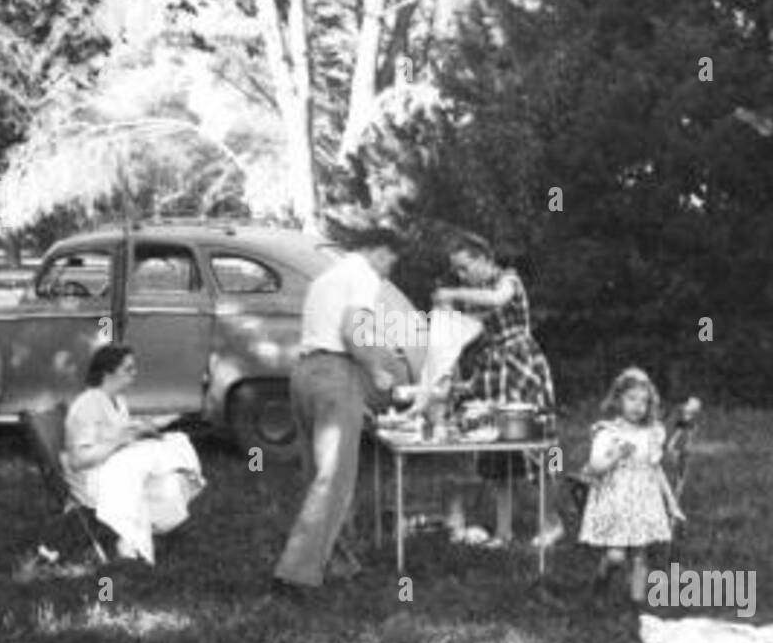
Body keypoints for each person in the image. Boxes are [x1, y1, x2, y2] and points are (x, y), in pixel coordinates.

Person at [272, 223, 407, 594]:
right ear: (380, 252)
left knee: (317, 474)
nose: (388, 271)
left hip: (304, 374)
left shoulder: (325, 278)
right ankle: (296, 573)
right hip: (336, 373)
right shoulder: (363, 276)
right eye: (390, 263)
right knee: (335, 480)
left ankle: (338, 562)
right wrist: (376, 369)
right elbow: (353, 332)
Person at [431, 231, 561, 547]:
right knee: (495, 450)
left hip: (521, 367)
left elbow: (496, 300)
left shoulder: (508, 281)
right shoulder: (477, 295)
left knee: (536, 447)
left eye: (464, 267)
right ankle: (504, 532)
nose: (461, 275)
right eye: (456, 271)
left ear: (484, 258)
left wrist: (453, 293)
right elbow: (465, 330)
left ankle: (552, 524)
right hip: (493, 370)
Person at [62, 344, 206, 565]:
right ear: (108, 372)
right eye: (128, 369)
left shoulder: (118, 400)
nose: (135, 373)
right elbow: (78, 460)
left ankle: (141, 532)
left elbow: (122, 431)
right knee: (159, 481)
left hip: (113, 466)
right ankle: (131, 539)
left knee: (173, 459)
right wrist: (120, 441)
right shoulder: (87, 405)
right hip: (91, 478)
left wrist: (145, 430)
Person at [577, 367, 684, 605]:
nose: (638, 406)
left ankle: (636, 602)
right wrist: (614, 455)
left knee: (640, 556)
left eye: (644, 401)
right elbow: (594, 466)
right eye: (632, 399)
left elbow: (656, 470)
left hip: (643, 502)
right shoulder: (608, 432)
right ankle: (601, 585)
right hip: (616, 502)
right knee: (616, 555)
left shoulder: (651, 433)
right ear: (618, 399)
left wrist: (672, 504)